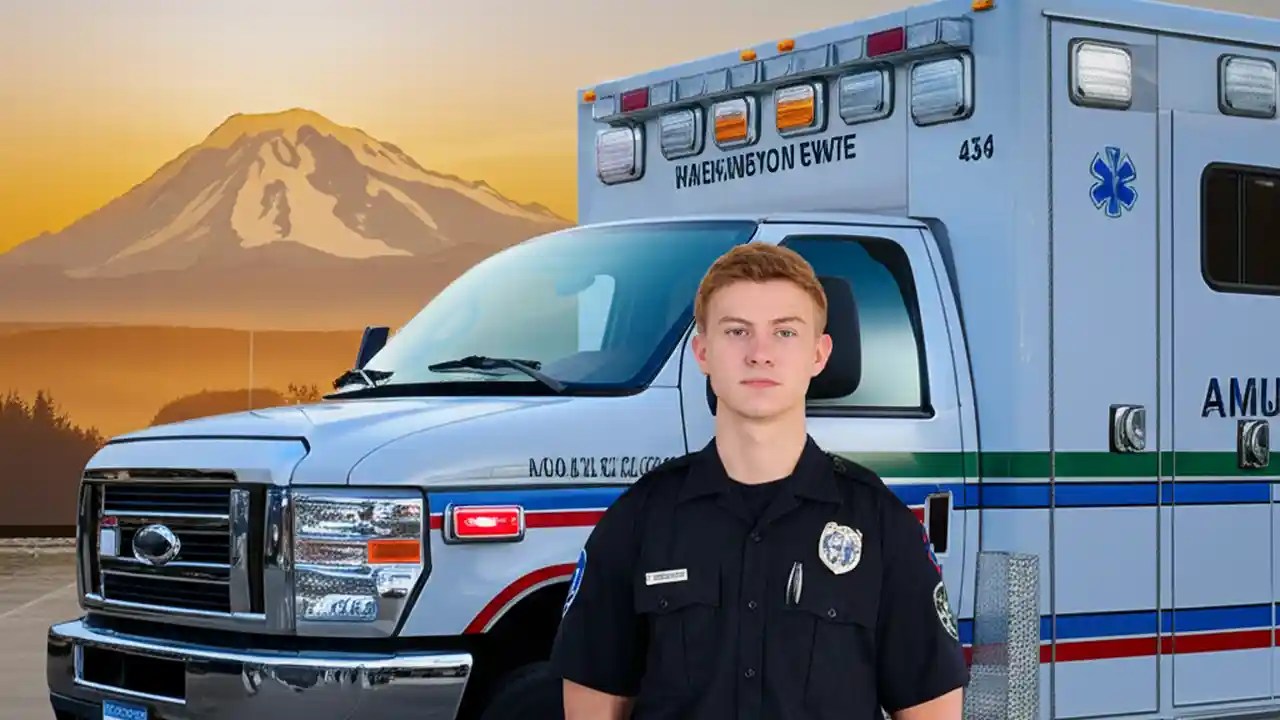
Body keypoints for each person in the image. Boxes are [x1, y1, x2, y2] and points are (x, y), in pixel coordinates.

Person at [547, 242, 969, 720]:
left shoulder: (881, 526)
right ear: (702, 352)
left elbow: (930, 710)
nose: (760, 354)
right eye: (737, 332)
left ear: (819, 353)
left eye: (785, 332)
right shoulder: (638, 521)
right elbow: (591, 706)